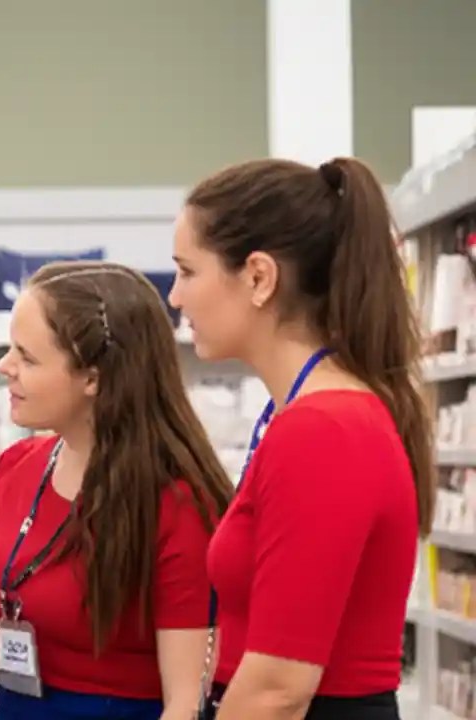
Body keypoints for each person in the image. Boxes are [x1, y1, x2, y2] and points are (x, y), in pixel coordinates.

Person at [168, 156, 434, 720]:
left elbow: (277, 689)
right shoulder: (308, 415)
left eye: (188, 272)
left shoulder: (322, 432)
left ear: (259, 277)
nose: (175, 297)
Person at [0, 261, 234, 719]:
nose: (4, 366)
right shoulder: (18, 468)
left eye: (27, 357)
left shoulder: (176, 505)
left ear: (93, 378)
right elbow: (20, 589)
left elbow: (185, 703)